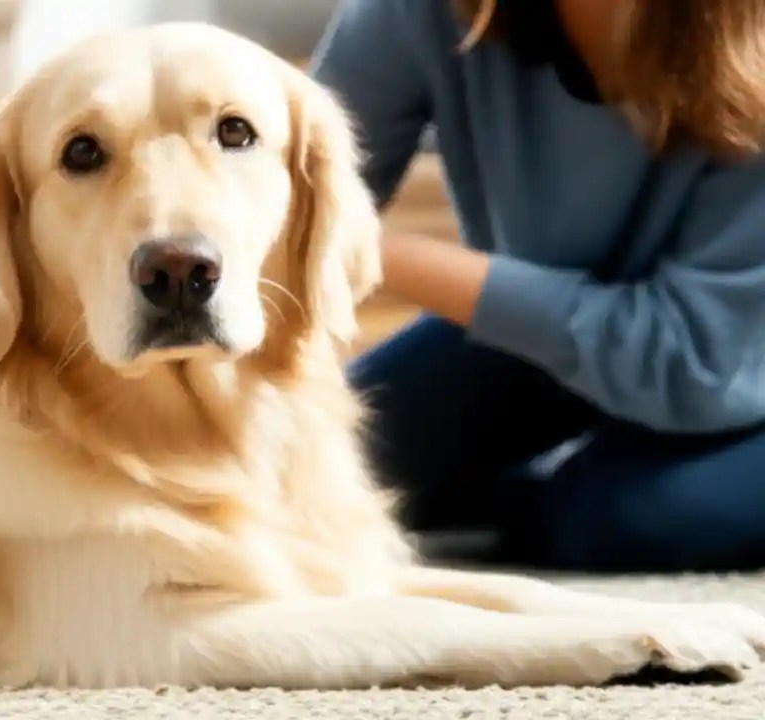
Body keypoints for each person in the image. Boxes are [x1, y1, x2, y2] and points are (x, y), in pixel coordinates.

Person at [311, 0, 765, 571]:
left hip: (735, 364)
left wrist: (396, 259)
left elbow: (699, 362)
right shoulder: (418, 11)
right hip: (543, 341)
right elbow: (295, 202)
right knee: (322, 466)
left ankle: (559, 492)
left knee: (605, 524)